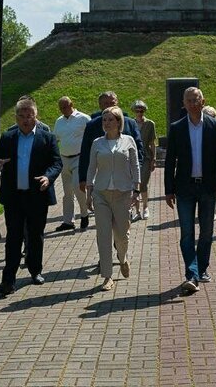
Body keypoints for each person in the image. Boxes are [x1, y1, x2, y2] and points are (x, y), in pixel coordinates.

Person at [0, 96, 62, 295]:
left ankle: (35, 270)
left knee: (35, 235)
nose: (25, 120)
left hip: (37, 195)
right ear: (16, 117)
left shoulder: (47, 137)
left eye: (29, 116)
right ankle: (8, 281)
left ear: (36, 116)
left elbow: (57, 163)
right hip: (13, 197)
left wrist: (48, 177)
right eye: (21, 116)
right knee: (13, 237)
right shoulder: (8, 137)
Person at [164, 86, 216, 295]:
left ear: (203, 101)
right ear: (183, 104)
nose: (193, 103)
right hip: (184, 187)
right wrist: (168, 189)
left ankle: (201, 268)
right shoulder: (176, 128)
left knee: (207, 232)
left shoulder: (215, 126)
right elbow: (170, 161)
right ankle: (192, 274)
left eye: (196, 100)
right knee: (186, 233)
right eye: (189, 100)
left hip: (208, 186)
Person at [86, 105, 141, 291]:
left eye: (110, 120)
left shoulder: (128, 141)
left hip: (123, 193)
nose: (107, 123)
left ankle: (123, 258)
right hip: (101, 193)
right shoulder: (97, 143)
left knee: (122, 235)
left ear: (119, 122)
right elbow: (91, 168)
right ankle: (107, 276)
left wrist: (137, 190)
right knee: (103, 235)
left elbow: (135, 166)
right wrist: (89, 193)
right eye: (104, 120)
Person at [78, 91, 143, 190]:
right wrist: (83, 178)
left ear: (117, 104)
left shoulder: (130, 124)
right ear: (100, 105)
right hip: (100, 181)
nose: (110, 106)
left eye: (112, 103)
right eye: (106, 104)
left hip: (125, 180)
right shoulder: (92, 126)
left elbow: (138, 150)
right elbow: (85, 152)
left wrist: (136, 175)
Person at [54, 96, 91, 231]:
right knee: (67, 192)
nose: (63, 110)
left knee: (78, 187)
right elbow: (55, 139)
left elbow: (91, 136)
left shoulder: (83, 118)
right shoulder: (59, 122)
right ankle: (68, 221)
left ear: (72, 104)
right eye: (61, 108)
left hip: (79, 158)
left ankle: (84, 214)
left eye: (65, 107)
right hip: (64, 159)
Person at [132, 99, 157, 220]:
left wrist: (154, 159)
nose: (139, 113)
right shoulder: (130, 124)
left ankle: (145, 207)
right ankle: (136, 211)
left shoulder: (150, 124)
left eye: (141, 110)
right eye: (137, 110)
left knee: (143, 184)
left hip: (146, 157)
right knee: (134, 184)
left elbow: (152, 143)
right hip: (132, 157)